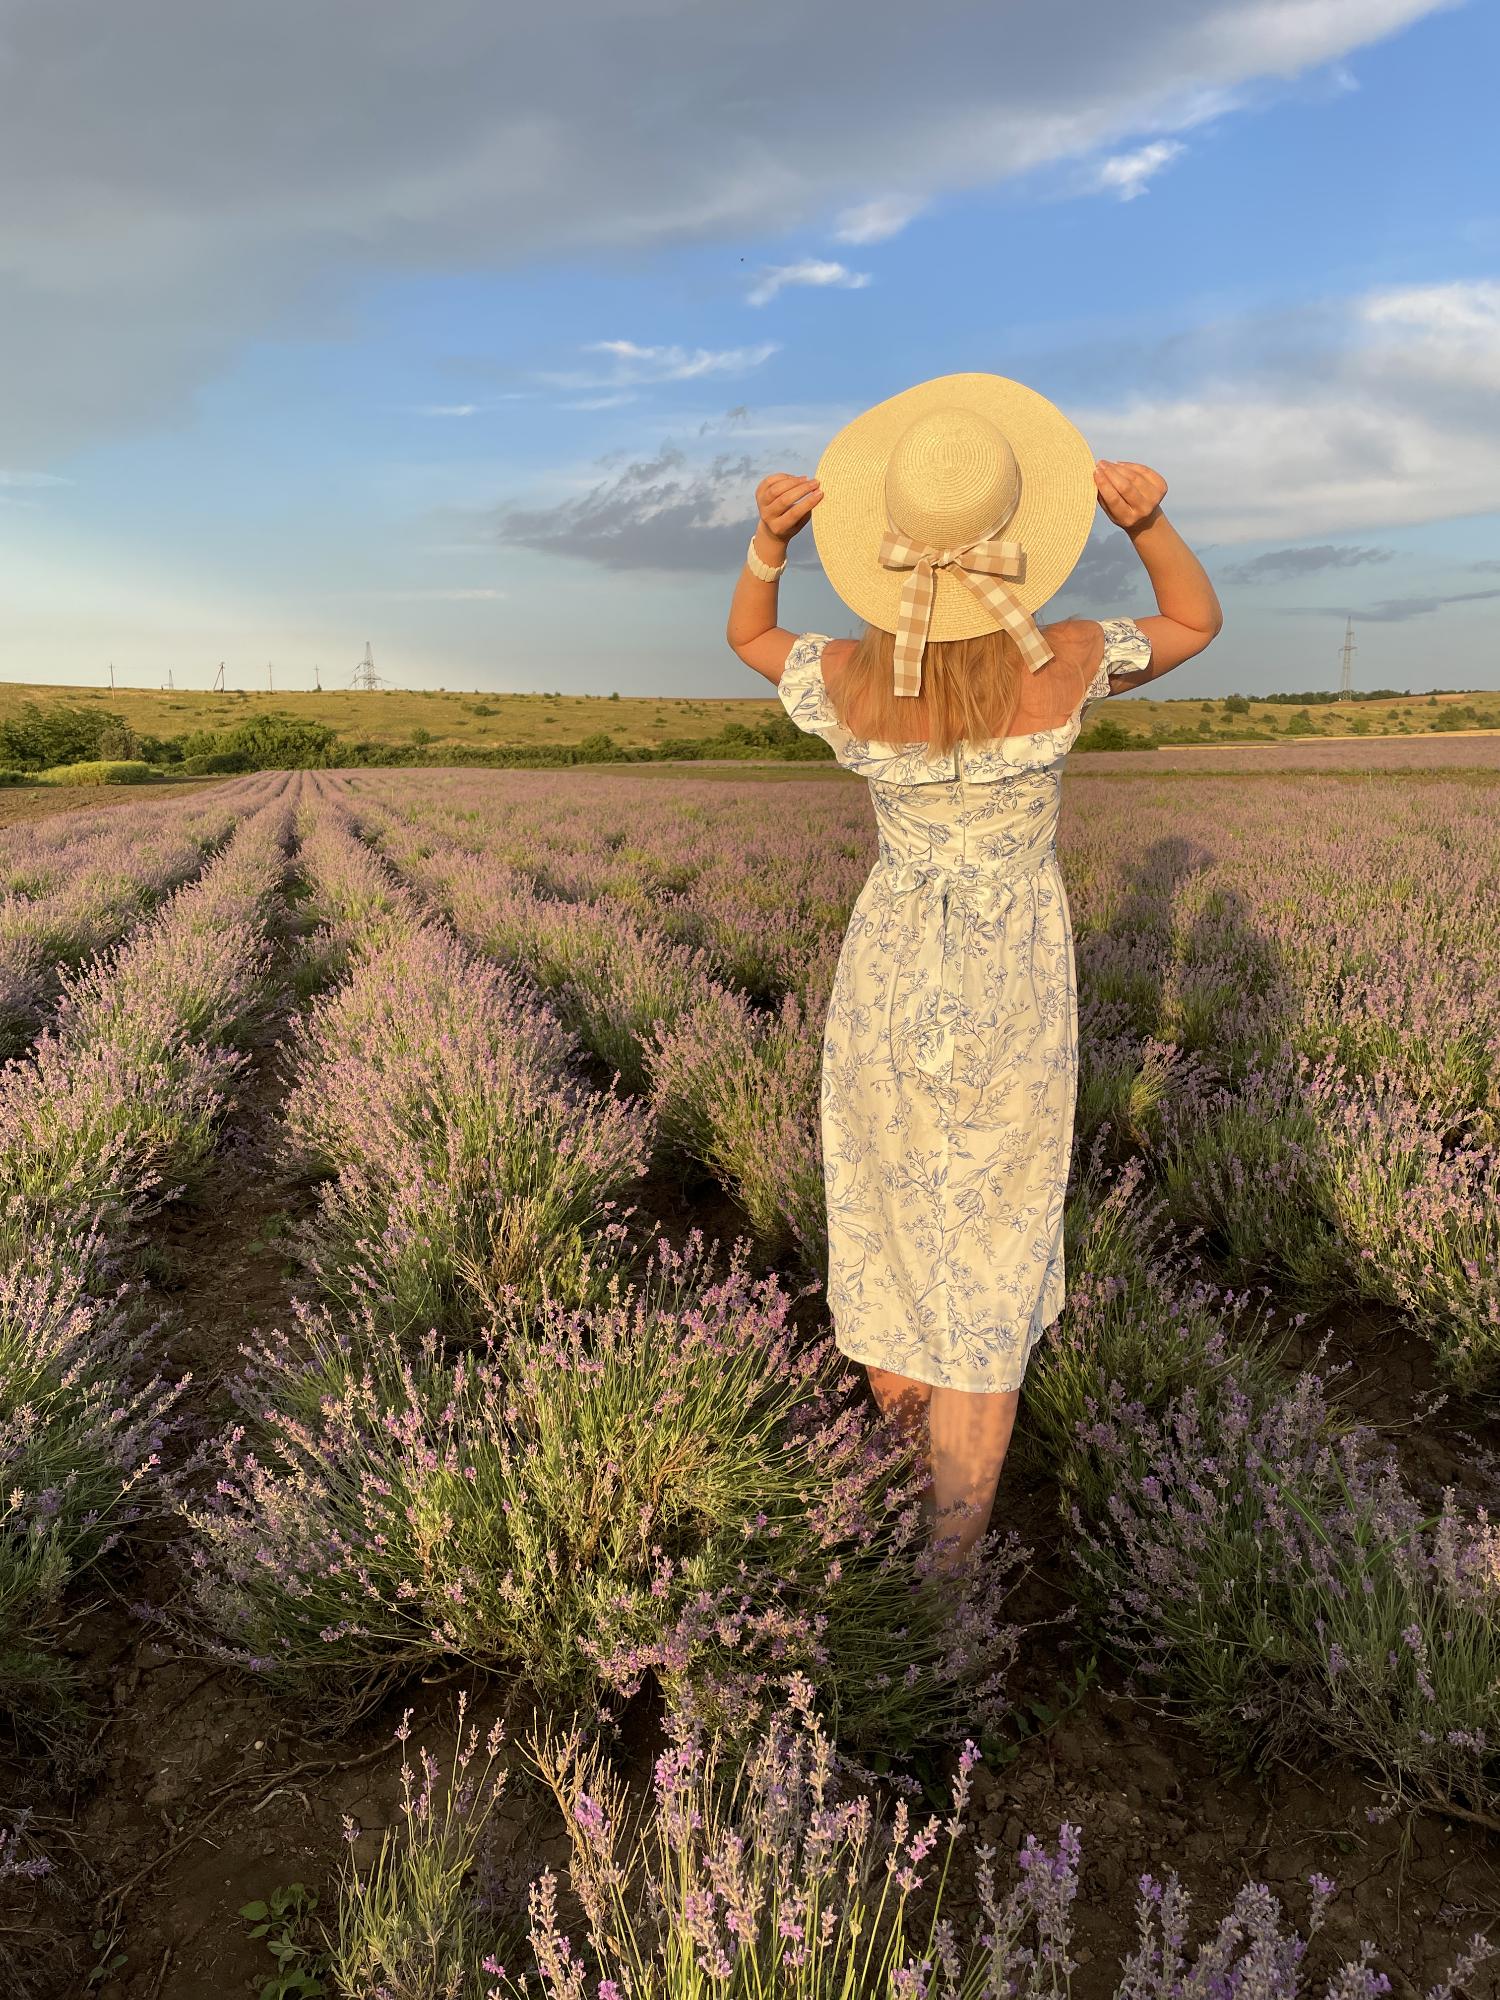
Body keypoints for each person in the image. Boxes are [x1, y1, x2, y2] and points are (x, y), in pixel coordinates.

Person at [725, 372, 1223, 1571]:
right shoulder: (1059, 660)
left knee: (897, 1219)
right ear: (1014, 538)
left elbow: (747, 635)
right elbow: (1196, 624)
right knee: (991, 1248)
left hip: (891, 972)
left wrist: (766, 542)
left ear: (887, 554)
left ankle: (902, 1496)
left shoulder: (843, 672)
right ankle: (951, 1571)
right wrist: (1147, 524)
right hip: (1010, 986)